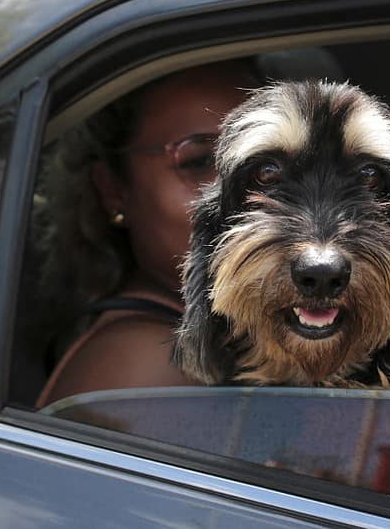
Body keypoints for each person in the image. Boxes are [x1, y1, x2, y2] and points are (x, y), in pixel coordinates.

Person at [35, 61, 257, 406]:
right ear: (113, 190)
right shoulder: (152, 364)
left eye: (264, 162)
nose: (249, 194)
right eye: (198, 161)